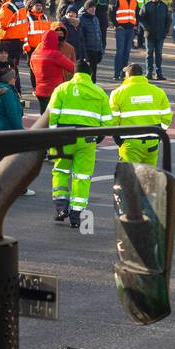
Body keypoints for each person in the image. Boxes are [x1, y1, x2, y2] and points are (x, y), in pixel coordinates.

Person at [46, 60, 112, 228]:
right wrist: (99, 136)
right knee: (82, 176)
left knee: (60, 170)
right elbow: (107, 121)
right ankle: (76, 215)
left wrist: (53, 134)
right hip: (88, 139)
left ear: (74, 73)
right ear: (90, 74)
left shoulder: (62, 88)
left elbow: (52, 114)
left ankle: (61, 208)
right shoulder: (99, 92)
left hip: (63, 136)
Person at [110, 64, 173, 165]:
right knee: (149, 177)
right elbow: (167, 117)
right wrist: (159, 134)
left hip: (130, 143)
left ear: (128, 75)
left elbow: (113, 120)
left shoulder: (117, 93)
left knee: (128, 178)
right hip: (152, 143)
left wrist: (119, 140)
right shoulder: (158, 92)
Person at [141, 0, 170, 80]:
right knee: (149, 53)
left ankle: (159, 73)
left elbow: (168, 20)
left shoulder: (163, 6)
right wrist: (146, 27)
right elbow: (141, 18)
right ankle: (149, 72)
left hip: (160, 34)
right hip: (149, 34)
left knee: (159, 54)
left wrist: (166, 30)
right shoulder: (146, 5)